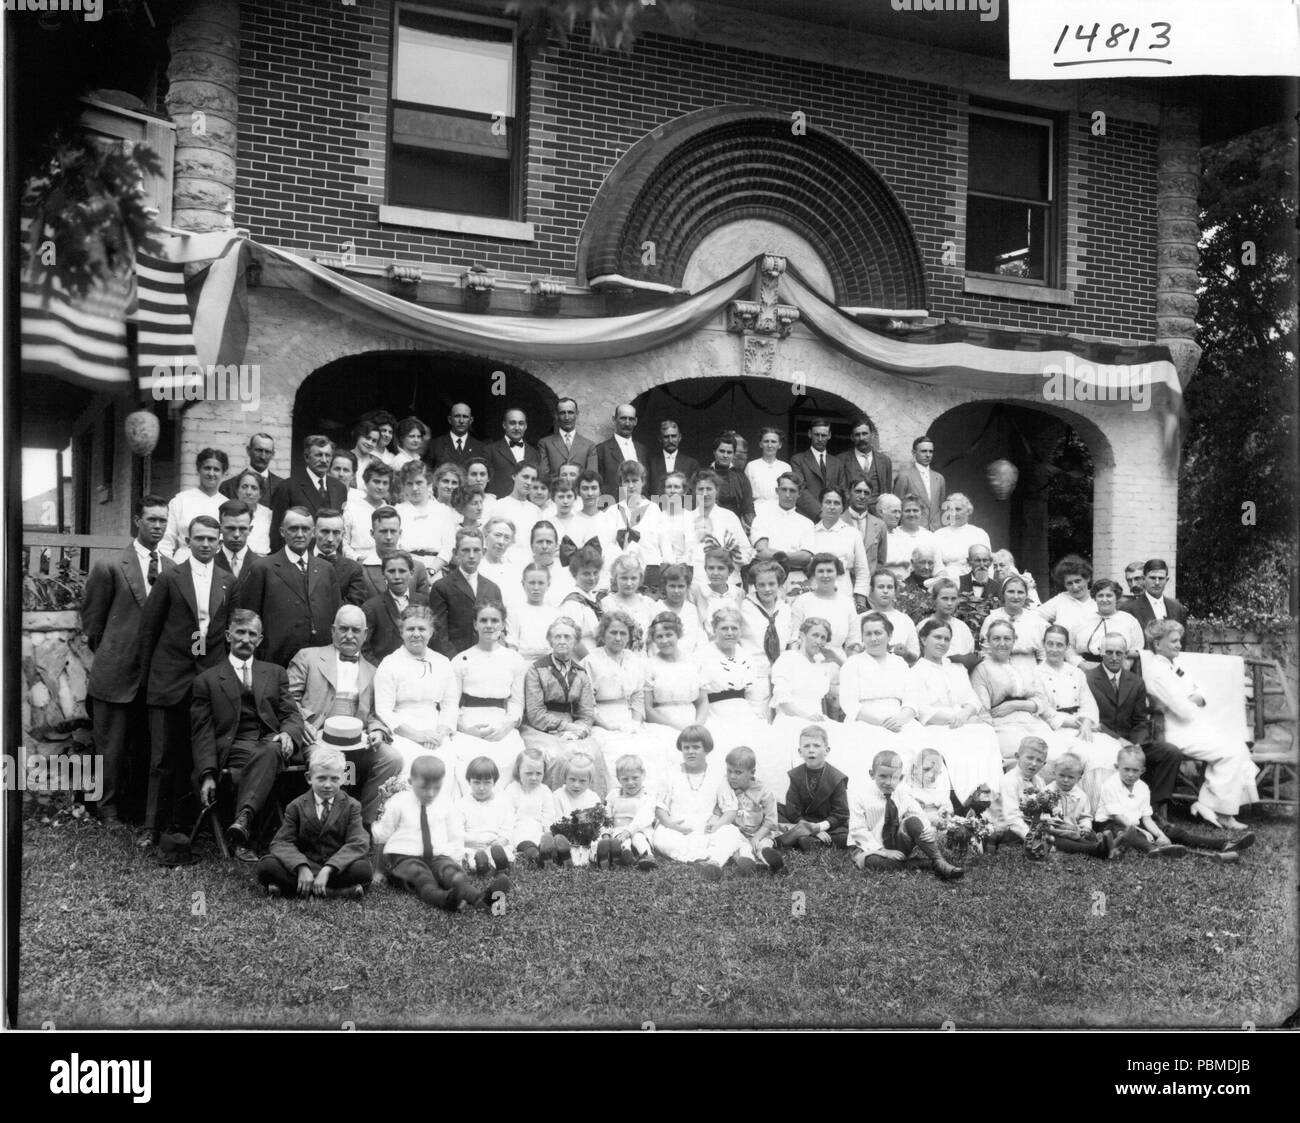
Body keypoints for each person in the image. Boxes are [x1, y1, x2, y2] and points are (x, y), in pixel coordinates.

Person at [137, 515, 234, 847]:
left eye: (211, 539)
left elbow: (227, 635)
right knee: (162, 757)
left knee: (199, 755)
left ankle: (193, 824)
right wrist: (149, 678)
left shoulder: (227, 580)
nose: (206, 544)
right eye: (199, 538)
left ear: (219, 543)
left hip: (206, 679)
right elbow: (149, 630)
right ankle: (152, 826)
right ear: (187, 541)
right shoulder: (170, 577)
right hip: (169, 677)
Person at [81, 493, 172, 828]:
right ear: (137, 521)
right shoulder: (110, 566)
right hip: (115, 672)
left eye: (163, 520)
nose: (158, 526)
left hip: (154, 677)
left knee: (145, 747)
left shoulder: (172, 568)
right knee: (111, 746)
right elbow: (93, 627)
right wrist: (116, 653)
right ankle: (105, 808)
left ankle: (135, 808)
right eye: (152, 519)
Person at [192, 609, 304, 862]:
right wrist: (208, 774)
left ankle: (243, 820)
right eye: (240, 632)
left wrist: (288, 733)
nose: (246, 638)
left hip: (271, 742)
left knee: (272, 749)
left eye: (252, 634)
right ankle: (246, 830)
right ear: (228, 635)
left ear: (260, 640)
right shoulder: (207, 680)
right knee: (269, 755)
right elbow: (202, 733)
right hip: (234, 746)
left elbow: (292, 715)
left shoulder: (275, 673)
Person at [286, 605, 403, 827]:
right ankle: (325, 825)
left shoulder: (372, 670)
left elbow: (374, 714)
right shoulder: (309, 657)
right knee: (327, 761)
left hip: (356, 740)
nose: (349, 635)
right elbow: (287, 699)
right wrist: (302, 723)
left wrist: (377, 730)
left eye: (356, 630)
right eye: (344, 629)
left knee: (391, 758)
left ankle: (365, 822)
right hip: (317, 736)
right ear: (332, 631)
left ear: (365, 634)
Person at [1141, 618, 1257, 830]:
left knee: (1238, 747)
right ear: (1158, 644)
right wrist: (1194, 699)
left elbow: (1201, 688)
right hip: (1175, 731)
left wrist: (1195, 697)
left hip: (1194, 727)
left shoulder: (1175, 665)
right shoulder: (1156, 672)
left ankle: (1209, 806)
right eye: (1174, 641)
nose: (1179, 645)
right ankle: (1218, 811)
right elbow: (1184, 712)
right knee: (1231, 752)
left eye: (1179, 640)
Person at [373, 754, 498, 910]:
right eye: (424, 788)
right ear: (411, 783)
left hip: (437, 855)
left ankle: (482, 899)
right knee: (422, 877)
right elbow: (382, 835)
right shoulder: (399, 802)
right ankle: (445, 899)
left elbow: (455, 834)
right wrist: (378, 870)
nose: (431, 793)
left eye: (436, 787)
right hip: (405, 857)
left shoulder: (445, 803)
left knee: (451, 873)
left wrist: (456, 862)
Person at [902, 617, 1002, 804]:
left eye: (946, 639)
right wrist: (955, 718)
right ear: (923, 640)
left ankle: (992, 794)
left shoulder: (956, 668)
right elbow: (922, 710)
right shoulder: (916, 671)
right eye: (937, 637)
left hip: (964, 721)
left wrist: (964, 714)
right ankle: (969, 797)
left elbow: (972, 699)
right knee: (957, 743)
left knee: (986, 733)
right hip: (938, 726)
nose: (942, 643)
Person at [1085, 631, 1184, 818]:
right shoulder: (1088, 679)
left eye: (1119, 653)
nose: (1114, 657)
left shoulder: (1136, 682)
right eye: (1109, 652)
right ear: (1101, 652)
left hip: (1132, 743)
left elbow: (1140, 720)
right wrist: (1119, 740)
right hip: (1102, 741)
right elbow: (1091, 719)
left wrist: (1137, 744)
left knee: (1171, 752)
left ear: (1125, 653)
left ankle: (1152, 807)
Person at [256, 744, 373, 899]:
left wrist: (328, 869)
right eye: (321, 778)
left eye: (334, 778)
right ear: (309, 778)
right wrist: (301, 867)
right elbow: (281, 843)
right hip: (306, 865)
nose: (327, 785)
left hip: (336, 867)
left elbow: (359, 842)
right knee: (266, 866)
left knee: (363, 869)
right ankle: (337, 892)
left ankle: (292, 890)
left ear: (343, 779)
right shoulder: (296, 806)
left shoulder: (352, 806)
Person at [582, 609, 677, 800]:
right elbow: (585, 702)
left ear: (629, 636)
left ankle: (652, 801)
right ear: (603, 634)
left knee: (654, 748)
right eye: (613, 632)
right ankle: (617, 804)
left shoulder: (635, 660)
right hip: (602, 721)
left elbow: (638, 696)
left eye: (623, 633)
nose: (618, 638)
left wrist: (635, 722)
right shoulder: (590, 661)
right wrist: (606, 726)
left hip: (630, 719)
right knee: (616, 753)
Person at [234, 506, 341, 666]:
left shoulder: (326, 569)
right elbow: (248, 618)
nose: (299, 534)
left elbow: (335, 614)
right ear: (282, 531)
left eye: (305, 529)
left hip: (319, 661)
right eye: (293, 528)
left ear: (313, 533)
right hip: (275, 661)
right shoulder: (263, 568)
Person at [373, 605, 461, 786]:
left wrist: (439, 734)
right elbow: (383, 710)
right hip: (403, 731)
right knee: (411, 762)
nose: (416, 634)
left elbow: (450, 704)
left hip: (436, 727)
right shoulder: (390, 663)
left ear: (431, 632)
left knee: (447, 762)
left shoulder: (443, 662)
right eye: (410, 629)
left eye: (422, 629)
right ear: (401, 632)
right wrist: (418, 736)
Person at [837, 612, 926, 787]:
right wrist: (881, 722)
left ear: (889, 635)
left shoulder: (899, 663)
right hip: (865, 720)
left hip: (899, 719)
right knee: (872, 748)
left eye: (878, 633)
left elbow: (912, 700)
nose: (873, 638)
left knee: (920, 746)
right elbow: (848, 703)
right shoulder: (853, 663)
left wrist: (900, 719)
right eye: (868, 634)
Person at [1037, 625, 1122, 805]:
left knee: (1109, 752)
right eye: (1050, 644)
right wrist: (1075, 724)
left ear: (1067, 647)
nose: (1054, 649)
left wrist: (1086, 722)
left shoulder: (1076, 672)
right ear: (1043, 644)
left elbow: (1088, 702)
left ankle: (1104, 810)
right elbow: (1044, 710)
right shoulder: (1036, 673)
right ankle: (1076, 808)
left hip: (1081, 725)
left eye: (1059, 645)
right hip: (1054, 728)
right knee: (1080, 755)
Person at [848, 750, 964, 880]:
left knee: (913, 820)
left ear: (901, 778)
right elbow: (858, 831)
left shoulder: (901, 794)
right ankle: (926, 864)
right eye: (883, 776)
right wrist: (884, 851)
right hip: (869, 848)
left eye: (894, 777)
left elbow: (919, 814)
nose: (889, 782)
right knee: (878, 862)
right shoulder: (860, 797)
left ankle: (938, 860)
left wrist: (926, 829)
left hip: (896, 845)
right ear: (872, 774)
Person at [450, 600, 529, 787]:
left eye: (495, 620)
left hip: (502, 722)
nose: (489, 625)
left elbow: (517, 703)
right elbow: (451, 703)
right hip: (468, 722)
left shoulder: (515, 660)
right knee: (466, 761)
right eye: (483, 620)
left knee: (510, 757)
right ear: (475, 624)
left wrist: (506, 728)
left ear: (502, 624)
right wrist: (464, 729)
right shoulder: (460, 660)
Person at [652, 725, 744, 881]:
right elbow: (660, 808)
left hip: (708, 828)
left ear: (706, 750)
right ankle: (705, 858)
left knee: (731, 832)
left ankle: (714, 862)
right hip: (678, 829)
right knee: (661, 837)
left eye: (696, 747)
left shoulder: (717, 775)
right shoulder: (671, 773)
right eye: (686, 747)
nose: (690, 751)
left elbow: (730, 809)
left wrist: (718, 824)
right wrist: (671, 825)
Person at [767, 619, 846, 792]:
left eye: (823, 638)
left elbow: (848, 683)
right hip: (792, 719)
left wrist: (836, 660)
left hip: (818, 720)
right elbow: (784, 702)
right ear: (802, 635)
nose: (819, 641)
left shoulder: (821, 665)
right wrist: (806, 717)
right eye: (815, 635)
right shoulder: (788, 658)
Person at [522, 617, 598, 789]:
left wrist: (579, 731)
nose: (562, 641)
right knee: (556, 756)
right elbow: (535, 713)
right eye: (557, 637)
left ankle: (590, 810)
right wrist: (566, 727)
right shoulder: (537, 670)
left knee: (591, 755)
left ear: (576, 642)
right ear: (550, 640)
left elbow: (586, 713)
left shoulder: (581, 673)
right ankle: (553, 809)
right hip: (541, 728)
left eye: (567, 637)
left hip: (573, 726)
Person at [698, 606, 770, 766]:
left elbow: (753, 694)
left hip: (743, 713)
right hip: (714, 713)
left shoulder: (746, 655)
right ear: (714, 629)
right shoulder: (703, 655)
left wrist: (757, 716)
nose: (729, 633)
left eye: (734, 628)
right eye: (724, 628)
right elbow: (698, 694)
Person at [1091, 746, 1189, 859]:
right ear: (1117, 767)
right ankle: (1152, 849)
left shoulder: (1143, 787)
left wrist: (1160, 835)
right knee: (1128, 833)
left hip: (1134, 825)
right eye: (1126, 769)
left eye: (1135, 770)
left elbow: (1147, 819)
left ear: (1142, 771)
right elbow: (1118, 817)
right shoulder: (1110, 785)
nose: (1130, 774)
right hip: (1110, 824)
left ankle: (1211, 843)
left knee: (1171, 832)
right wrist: (1141, 831)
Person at [429, 528, 503, 659]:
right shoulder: (441, 587)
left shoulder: (492, 588)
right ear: (456, 553)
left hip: (487, 657)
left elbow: (499, 628)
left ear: (484, 552)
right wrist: (455, 659)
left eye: (476, 550)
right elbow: (439, 633)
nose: (472, 555)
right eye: (465, 550)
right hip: (455, 658)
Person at [268, 435, 350, 553]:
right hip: (299, 558)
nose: (324, 460)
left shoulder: (340, 488)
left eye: (327, 455)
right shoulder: (287, 487)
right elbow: (277, 534)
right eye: (318, 455)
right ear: (307, 457)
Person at [775, 725, 849, 851]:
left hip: (827, 825)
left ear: (827, 750)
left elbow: (841, 813)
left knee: (846, 836)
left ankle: (799, 839)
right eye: (806, 746)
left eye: (816, 745)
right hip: (802, 822)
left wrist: (818, 828)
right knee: (775, 807)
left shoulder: (836, 778)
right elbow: (793, 810)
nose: (811, 750)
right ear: (800, 752)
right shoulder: (796, 775)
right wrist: (810, 828)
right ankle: (804, 837)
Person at [738, 559, 793, 719]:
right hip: (755, 674)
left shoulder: (785, 610)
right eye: (761, 585)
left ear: (779, 584)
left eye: (771, 584)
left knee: (783, 719)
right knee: (758, 718)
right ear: (754, 585)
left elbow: (791, 643)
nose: (767, 589)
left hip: (782, 675)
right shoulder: (743, 607)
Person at [599, 459, 662, 587]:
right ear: (620, 484)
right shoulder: (613, 511)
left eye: (635, 480)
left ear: (643, 482)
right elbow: (607, 545)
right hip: (621, 572)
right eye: (626, 481)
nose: (631, 485)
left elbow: (660, 542)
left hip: (648, 571)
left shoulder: (653, 509)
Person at [723, 745, 784, 873]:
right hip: (738, 833)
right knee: (738, 845)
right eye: (729, 771)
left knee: (763, 844)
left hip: (760, 831)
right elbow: (721, 807)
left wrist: (757, 837)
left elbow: (771, 820)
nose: (732, 776)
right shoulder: (727, 787)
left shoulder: (763, 791)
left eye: (738, 772)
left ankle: (768, 859)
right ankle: (748, 862)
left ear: (752, 772)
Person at [160, 448, 228, 561]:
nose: (211, 473)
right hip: (183, 562)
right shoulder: (180, 500)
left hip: (216, 565)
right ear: (198, 469)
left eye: (216, 469)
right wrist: (166, 567)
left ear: (223, 473)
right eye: (207, 468)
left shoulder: (226, 504)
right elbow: (166, 539)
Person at [360, 552, 429, 663]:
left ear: (411, 573)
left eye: (402, 571)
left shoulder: (424, 602)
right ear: (383, 574)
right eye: (391, 571)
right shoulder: (372, 607)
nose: (397, 576)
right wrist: (382, 669)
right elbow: (364, 648)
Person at [1042, 752, 1113, 859]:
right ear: (1054, 773)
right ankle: (1096, 849)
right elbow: (1042, 813)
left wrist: (1085, 827)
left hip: (1075, 830)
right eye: (1061, 775)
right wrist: (1051, 819)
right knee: (1059, 841)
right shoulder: (1047, 792)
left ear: (1078, 778)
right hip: (1055, 831)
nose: (1065, 780)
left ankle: (1105, 846)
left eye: (1070, 777)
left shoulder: (1081, 796)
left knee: (1088, 834)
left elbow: (1085, 816)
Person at [789, 554, 861, 657]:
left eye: (830, 571)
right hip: (806, 661)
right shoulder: (803, 601)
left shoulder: (847, 603)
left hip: (837, 661)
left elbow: (853, 641)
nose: (825, 575)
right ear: (814, 573)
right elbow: (794, 638)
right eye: (820, 571)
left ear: (837, 573)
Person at [809, 487, 870, 606]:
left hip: (843, 591)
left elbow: (862, 570)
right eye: (828, 502)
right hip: (815, 591)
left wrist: (860, 600)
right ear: (821, 505)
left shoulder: (852, 533)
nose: (832, 507)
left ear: (842, 508)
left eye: (837, 503)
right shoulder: (810, 532)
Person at [503, 747, 564, 867]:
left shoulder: (544, 790)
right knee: (528, 847)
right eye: (529, 773)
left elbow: (548, 814)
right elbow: (507, 817)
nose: (534, 778)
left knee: (546, 844)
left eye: (538, 773)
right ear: (518, 770)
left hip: (538, 830)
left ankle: (556, 855)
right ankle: (539, 858)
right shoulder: (511, 790)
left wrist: (547, 833)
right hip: (519, 831)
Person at [357, 506, 435, 600]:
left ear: (400, 533)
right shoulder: (361, 569)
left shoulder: (417, 568)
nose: (389, 537)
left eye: (393, 531)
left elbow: (423, 606)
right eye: (383, 531)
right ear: (372, 533)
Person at [748, 471, 815, 580]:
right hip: (767, 577)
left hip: (796, 578)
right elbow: (762, 553)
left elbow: (805, 557)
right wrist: (793, 557)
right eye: (784, 489)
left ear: (799, 494)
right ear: (777, 491)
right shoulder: (762, 519)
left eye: (792, 491)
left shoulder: (807, 523)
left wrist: (775, 554)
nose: (787, 495)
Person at [986, 736, 1050, 847]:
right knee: (1056, 841)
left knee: (1055, 835)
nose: (1034, 764)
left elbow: (1044, 811)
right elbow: (1011, 817)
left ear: (1044, 764)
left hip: (1028, 826)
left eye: (1039, 760)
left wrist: (1047, 827)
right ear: (1017, 756)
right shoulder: (1009, 781)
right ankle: (1086, 848)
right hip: (1006, 828)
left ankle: (1084, 844)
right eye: (1030, 758)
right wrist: (1031, 837)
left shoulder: (1040, 781)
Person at [393, 460, 455, 573]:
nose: (415, 488)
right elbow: (395, 546)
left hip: (436, 567)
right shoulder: (397, 511)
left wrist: (432, 571)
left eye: (419, 482)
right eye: (409, 483)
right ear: (403, 486)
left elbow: (449, 547)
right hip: (405, 568)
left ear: (429, 483)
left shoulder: (443, 511)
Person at [599, 754, 658, 870]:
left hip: (638, 828)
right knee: (620, 840)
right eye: (625, 779)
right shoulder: (614, 795)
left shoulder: (647, 797)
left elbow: (644, 817)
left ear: (643, 775)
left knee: (639, 839)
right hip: (619, 829)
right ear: (618, 778)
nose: (630, 782)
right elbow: (606, 815)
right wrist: (606, 833)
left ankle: (647, 856)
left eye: (635, 777)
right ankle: (627, 855)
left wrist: (629, 831)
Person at [979, 575, 1046, 675]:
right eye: (1011, 592)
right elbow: (986, 653)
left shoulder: (1036, 620)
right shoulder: (992, 619)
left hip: (1030, 672)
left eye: (1020, 592)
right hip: (998, 671)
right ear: (1003, 594)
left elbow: (1043, 655)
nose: (1016, 596)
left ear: (1026, 595)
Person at [1071, 578, 1144, 668]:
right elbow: (1070, 647)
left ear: (1116, 597)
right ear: (1095, 598)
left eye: (1109, 595)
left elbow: (1137, 647)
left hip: (1118, 668)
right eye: (1100, 596)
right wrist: (1081, 664)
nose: (1104, 600)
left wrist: (1125, 667)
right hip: (1086, 667)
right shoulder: (1083, 619)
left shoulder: (1129, 620)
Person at [460, 756, 514, 875]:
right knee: (476, 856)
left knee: (499, 852)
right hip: (474, 844)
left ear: (494, 782)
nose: (482, 787)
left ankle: (501, 865)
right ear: (469, 781)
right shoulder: (462, 804)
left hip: (495, 842)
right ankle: (484, 867)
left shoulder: (502, 802)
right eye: (476, 782)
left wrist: (501, 840)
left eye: (487, 782)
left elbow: (508, 827)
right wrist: (471, 841)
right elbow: (456, 831)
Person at [587, 403, 649, 500]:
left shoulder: (642, 450)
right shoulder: (601, 450)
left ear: (636, 421)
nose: (627, 423)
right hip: (612, 507)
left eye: (631, 419)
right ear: (614, 419)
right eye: (623, 418)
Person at [789, 417, 846, 522]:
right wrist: (820, 513)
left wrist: (834, 513)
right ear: (810, 434)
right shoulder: (798, 460)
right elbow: (800, 490)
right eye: (816, 435)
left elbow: (843, 491)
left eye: (823, 435)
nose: (820, 439)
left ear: (829, 435)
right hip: (806, 517)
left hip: (833, 518)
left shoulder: (837, 463)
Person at [836, 416, 893, 512]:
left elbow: (887, 491)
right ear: (852, 437)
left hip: (877, 513)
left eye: (865, 434)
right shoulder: (841, 460)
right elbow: (840, 490)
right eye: (857, 435)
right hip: (851, 512)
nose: (861, 438)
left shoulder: (885, 461)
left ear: (873, 435)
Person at [1120, 558, 1190, 637]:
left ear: (1166, 580)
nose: (1157, 583)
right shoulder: (1128, 609)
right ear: (1144, 579)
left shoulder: (1177, 608)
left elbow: (1183, 640)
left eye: (1161, 578)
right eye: (1152, 578)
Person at [862, 569, 920, 662]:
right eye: (880, 587)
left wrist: (906, 653)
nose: (885, 591)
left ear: (895, 591)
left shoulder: (905, 620)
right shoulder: (861, 619)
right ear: (872, 590)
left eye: (889, 587)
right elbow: (853, 651)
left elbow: (914, 657)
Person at [484, 408, 541, 498]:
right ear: (504, 425)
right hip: (499, 504)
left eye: (521, 423)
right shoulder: (489, 450)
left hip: (526, 505)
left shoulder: (534, 453)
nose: (517, 427)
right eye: (512, 423)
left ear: (526, 426)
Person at [893, 435, 946, 531]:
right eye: (924, 451)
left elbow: (941, 507)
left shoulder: (939, 478)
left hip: (936, 530)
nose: (928, 455)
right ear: (914, 453)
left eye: (931, 451)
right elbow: (897, 507)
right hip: (913, 530)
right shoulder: (904, 476)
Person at [506, 563, 559, 660]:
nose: (536, 588)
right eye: (531, 583)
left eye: (541, 583)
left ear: (548, 585)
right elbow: (512, 645)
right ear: (523, 584)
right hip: (522, 663)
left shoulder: (555, 614)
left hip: (550, 664)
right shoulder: (514, 612)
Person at [537, 396, 597, 480]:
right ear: (556, 415)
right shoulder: (545, 443)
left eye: (570, 412)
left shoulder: (589, 445)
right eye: (562, 413)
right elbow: (544, 476)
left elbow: (591, 476)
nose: (567, 417)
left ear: (577, 414)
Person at [343, 461, 393, 560]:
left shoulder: (392, 511)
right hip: (358, 563)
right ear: (366, 482)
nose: (380, 487)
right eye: (376, 481)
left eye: (385, 483)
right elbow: (343, 543)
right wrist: (357, 558)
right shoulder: (351, 508)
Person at [1036, 554, 1096, 634]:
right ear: (1064, 585)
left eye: (1078, 581)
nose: (1075, 587)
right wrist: (1049, 630)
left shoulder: (1097, 599)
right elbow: (1034, 616)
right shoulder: (1060, 600)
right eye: (1069, 583)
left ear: (1087, 578)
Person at [704, 430, 755, 526]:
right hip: (707, 523)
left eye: (729, 452)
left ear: (733, 454)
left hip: (734, 524)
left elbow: (748, 507)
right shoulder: (703, 475)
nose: (725, 456)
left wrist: (750, 526)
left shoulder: (741, 478)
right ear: (714, 452)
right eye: (722, 451)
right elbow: (690, 502)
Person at [933, 493, 990, 576]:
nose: (954, 513)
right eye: (950, 510)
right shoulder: (939, 535)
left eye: (958, 509)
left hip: (974, 578)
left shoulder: (979, 534)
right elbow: (936, 564)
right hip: (946, 581)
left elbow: (987, 563)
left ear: (968, 511)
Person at [928, 577, 979, 668]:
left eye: (953, 599)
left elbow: (969, 655)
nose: (949, 603)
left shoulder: (962, 627)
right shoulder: (925, 625)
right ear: (934, 600)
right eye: (945, 598)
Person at [604, 553, 659, 636]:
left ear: (640, 579)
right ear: (615, 578)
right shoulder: (607, 603)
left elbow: (655, 636)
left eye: (633, 578)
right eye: (624, 578)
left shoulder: (648, 604)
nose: (629, 583)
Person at [886, 496, 938, 582]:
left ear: (922, 513)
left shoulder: (930, 536)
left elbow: (937, 565)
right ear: (901, 513)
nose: (911, 514)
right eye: (907, 511)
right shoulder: (891, 535)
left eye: (915, 510)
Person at [842, 479, 888, 577]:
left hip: (869, 582)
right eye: (858, 491)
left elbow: (881, 561)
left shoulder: (880, 525)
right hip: (844, 581)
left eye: (866, 493)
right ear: (848, 493)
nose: (862, 496)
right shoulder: (839, 521)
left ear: (870, 497)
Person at [655, 563, 704, 655]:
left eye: (681, 586)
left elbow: (698, 638)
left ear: (687, 587)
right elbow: (652, 641)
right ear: (665, 587)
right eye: (672, 586)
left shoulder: (691, 609)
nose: (676, 591)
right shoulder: (656, 608)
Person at [219, 432, 283, 502]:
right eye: (258, 450)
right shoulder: (228, 487)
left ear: (273, 455)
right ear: (248, 450)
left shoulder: (282, 486)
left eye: (267, 452)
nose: (263, 456)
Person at [743, 427, 791, 519]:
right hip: (757, 513)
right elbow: (746, 495)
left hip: (780, 513)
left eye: (773, 442)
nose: (770, 445)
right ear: (760, 444)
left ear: (780, 445)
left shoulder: (785, 467)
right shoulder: (752, 466)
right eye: (766, 441)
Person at [492, 461, 544, 546]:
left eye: (533, 479)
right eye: (525, 477)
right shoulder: (499, 506)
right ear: (514, 476)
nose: (529, 482)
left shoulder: (536, 511)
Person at [646, 419, 700, 500]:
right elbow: (647, 490)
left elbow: (694, 492)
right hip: (657, 507)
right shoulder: (651, 462)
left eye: (674, 436)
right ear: (660, 439)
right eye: (666, 437)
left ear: (680, 437)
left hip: (683, 508)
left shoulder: (691, 463)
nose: (670, 440)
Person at [428, 402, 486, 469]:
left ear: (471, 420)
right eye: (457, 416)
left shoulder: (480, 447)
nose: (461, 421)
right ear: (450, 420)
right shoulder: (435, 445)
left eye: (465, 417)